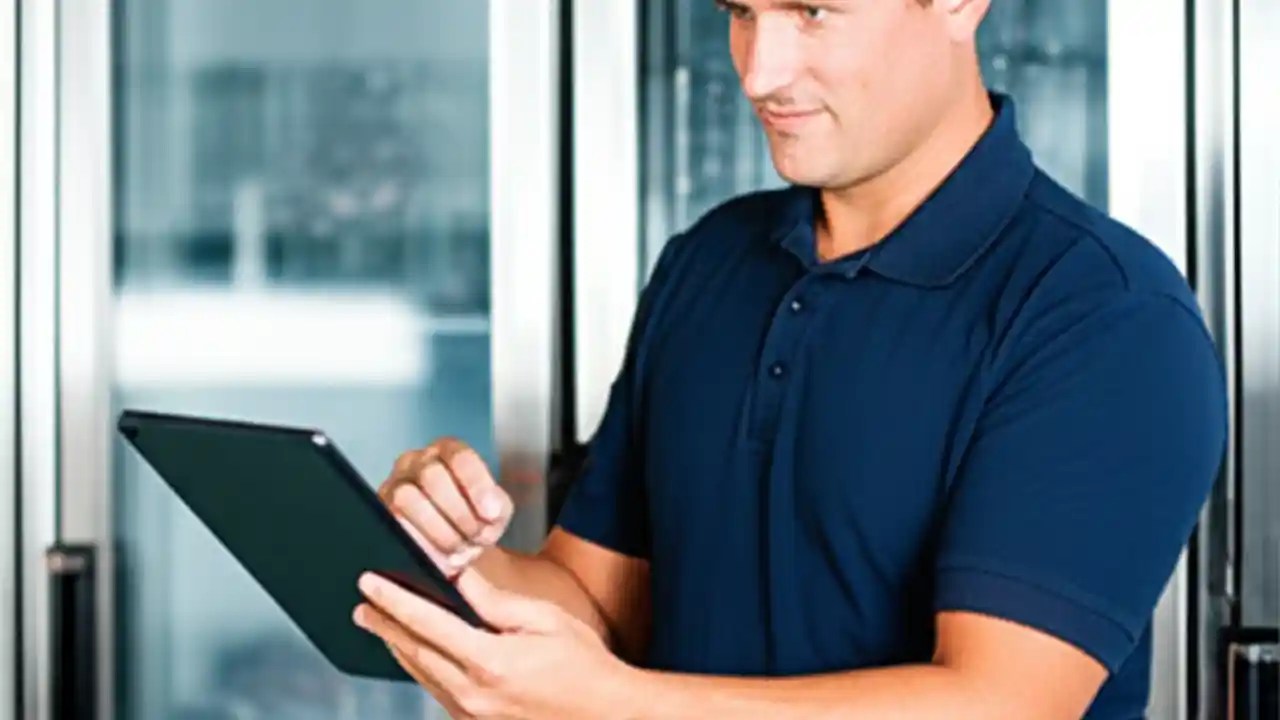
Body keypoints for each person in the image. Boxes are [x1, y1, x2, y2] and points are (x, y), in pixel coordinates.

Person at [352, 1, 1227, 717]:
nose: (758, 71)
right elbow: (593, 606)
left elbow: (999, 704)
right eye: (741, 11)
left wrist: (615, 706)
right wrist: (450, 565)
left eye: (812, 13)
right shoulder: (711, 260)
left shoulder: (1102, 314)